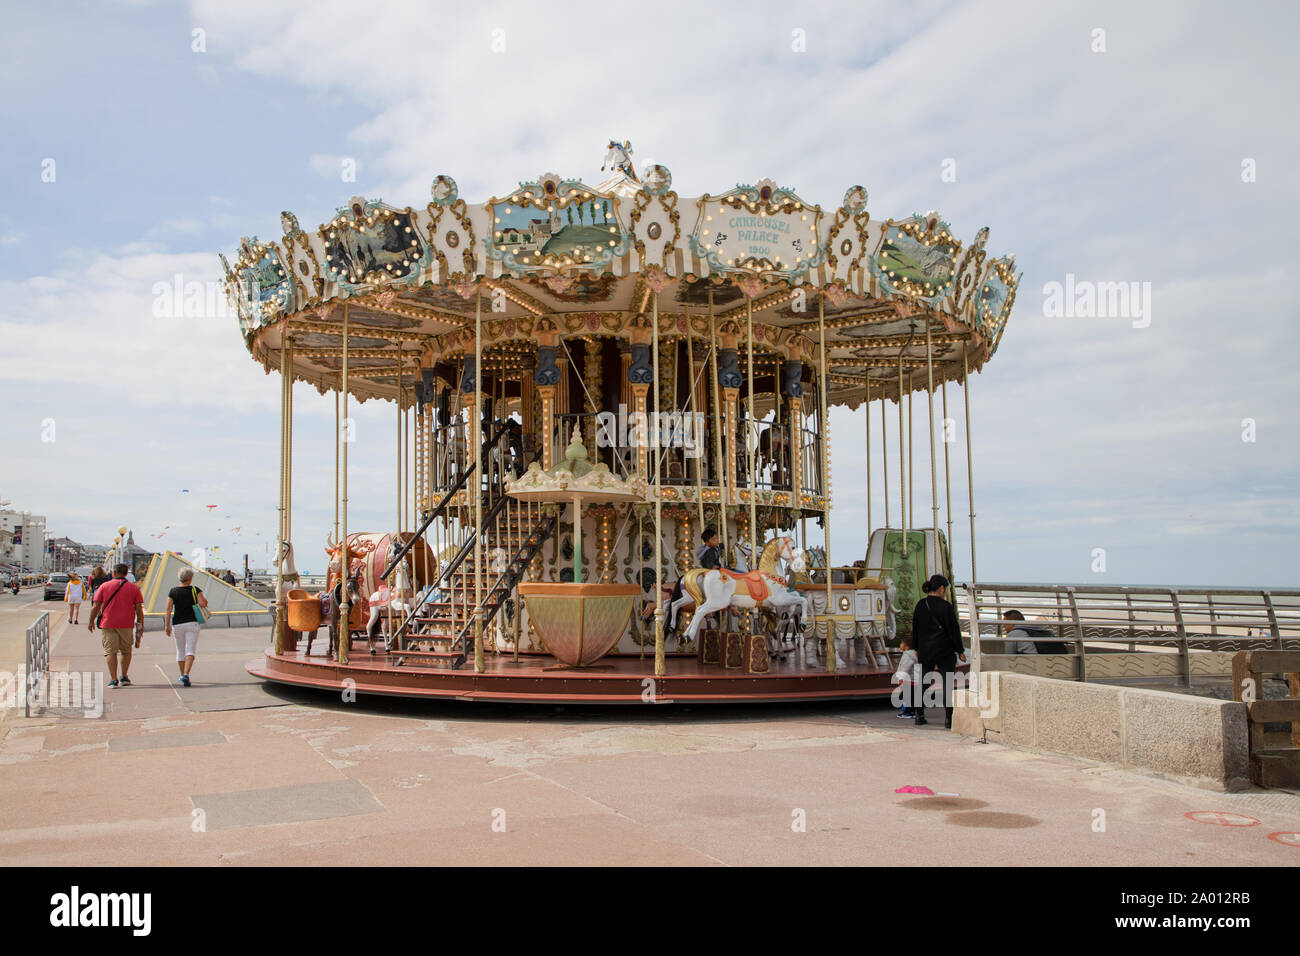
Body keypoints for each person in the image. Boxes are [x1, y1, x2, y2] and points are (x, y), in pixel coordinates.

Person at [910, 573, 967, 728]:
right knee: (947, 683)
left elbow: (915, 628)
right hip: (944, 650)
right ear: (942, 588)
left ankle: (919, 715)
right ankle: (949, 719)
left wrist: (916, 647)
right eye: (945, 589)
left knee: (923, 682)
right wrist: (960, 650)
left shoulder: (921, 605)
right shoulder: (946, 606)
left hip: (925, 650)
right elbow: (953, 630)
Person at [88, 563, 145, 688]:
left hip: (108, 623)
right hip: (126, 623)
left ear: (113, 573)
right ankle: (124, 676)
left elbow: (96, 606)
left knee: (110, 651)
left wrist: (91, 621)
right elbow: (139, 610)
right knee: (126, 651)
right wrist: (140, 624)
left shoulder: (104, 586)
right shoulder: (133, 588)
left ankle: (113, 679)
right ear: (126, 574)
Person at [165, 568, 208, 687]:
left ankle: (182, 674)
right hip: (192, 623)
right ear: (190, 578)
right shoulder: (195, 590)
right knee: (190, 649)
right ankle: (186, 674)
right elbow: (204, 604)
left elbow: (168, 608)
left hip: (177, 623)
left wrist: (166, 625)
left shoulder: (173, 591)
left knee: (180, 649)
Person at [892, 636, 920, 718]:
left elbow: (905, 667)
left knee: (908, 697)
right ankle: (913, 711)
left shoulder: (908, 655)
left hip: (909, 679)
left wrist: (901, 678)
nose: (900, 645)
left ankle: (908, 712)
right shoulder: (915, 653)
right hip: (915, 679)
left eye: (901, 643)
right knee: (912, 696)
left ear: (906, 646)